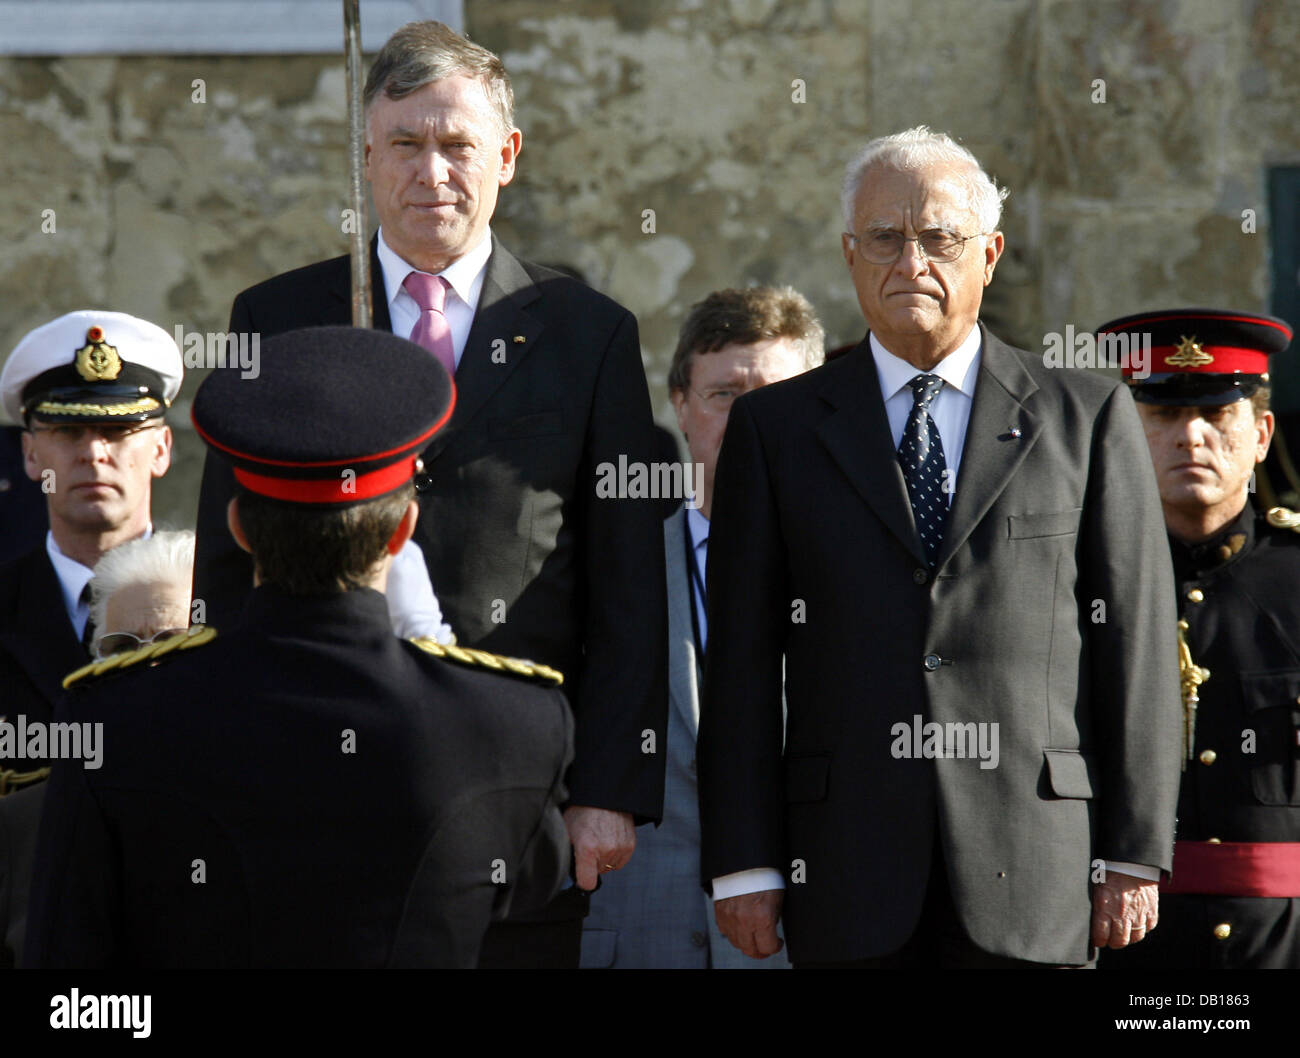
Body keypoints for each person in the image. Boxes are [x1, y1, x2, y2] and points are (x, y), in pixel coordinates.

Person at [191, 19, 667, 967]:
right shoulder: (277, 319)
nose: (432, 172)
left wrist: (608, 788)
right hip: (311, 777)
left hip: (512, 789)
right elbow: (225, 561)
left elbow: (627, 587)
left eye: (457, 145)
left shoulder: (588, 335)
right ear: (365, 157)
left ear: (508, 155)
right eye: (405, 144)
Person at [697, 126, 1183, 968]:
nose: (910, 260)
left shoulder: (1088, 417)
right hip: (844, 868)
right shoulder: (776, 432)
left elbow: (1133, 646)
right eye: (884, 237)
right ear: (850, 255)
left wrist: (1134, 851)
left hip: (1038, 870)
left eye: (940, 238)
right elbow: (740, 661)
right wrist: (745, 862)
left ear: (989, 255)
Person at [24, 326, 574, 968]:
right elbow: (523, 890)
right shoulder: (517, 723)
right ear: (403, 532)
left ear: (238, 529)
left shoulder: (114, 719)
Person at [581, 287, 823, 968]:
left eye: (771, 397)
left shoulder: (856, 577)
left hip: (796, 942)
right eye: (724, 395)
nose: (749, 420)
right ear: (681, 406)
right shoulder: (609, 569)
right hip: (635, 938)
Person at [1094, 307, 1300, 969]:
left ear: (1262, 434)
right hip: (1114, 942)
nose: (1192, 437)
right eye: (1163, 416)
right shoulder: (1075, 582)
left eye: (1217, 415)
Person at [2, 529, 195, 968]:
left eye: (172, 642)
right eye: (122, 647)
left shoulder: (265, 806)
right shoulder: (22, 827)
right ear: (96, 668)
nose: (148, 665)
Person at [0, 310, 180, 755]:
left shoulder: (211, 604)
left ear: (160, 450)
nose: (94, 452)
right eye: (68, 431)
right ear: (29, 454)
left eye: (118, 431)